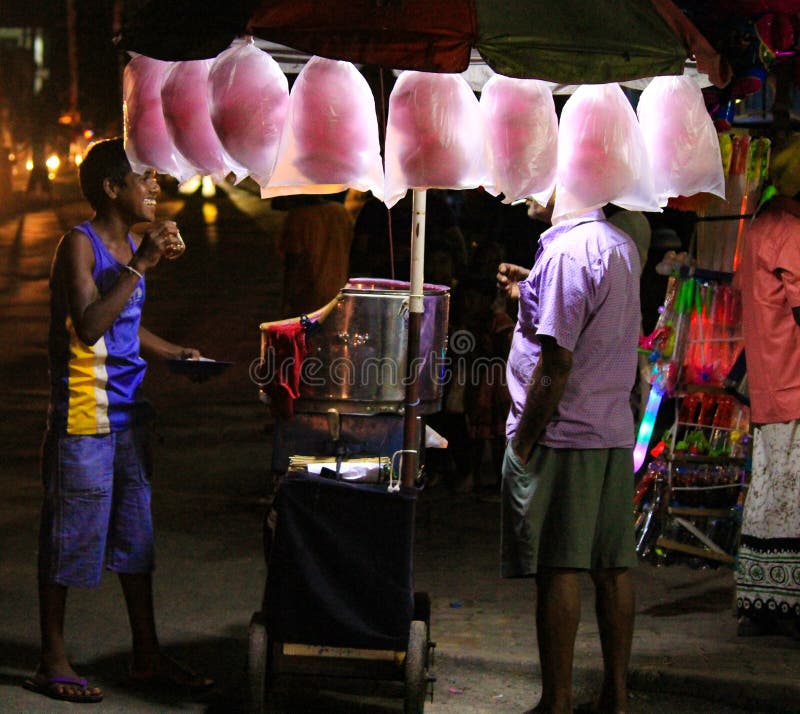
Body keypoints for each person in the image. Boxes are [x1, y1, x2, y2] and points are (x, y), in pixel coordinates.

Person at [24, 138, 213, 704]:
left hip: (129, 413)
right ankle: (50, 659)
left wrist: (172, 352)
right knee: (69, 538)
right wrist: (140, 264)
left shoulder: (130, 244)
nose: (155, 186)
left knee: (137, 540)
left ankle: (147, 655)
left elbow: (124, 325)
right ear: (111, 188)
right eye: (144, 178)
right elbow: (87, 326)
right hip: (85, 415)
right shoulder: (77, 247)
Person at [497, 197, 640, 714]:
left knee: (558, 566)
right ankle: (616, 698)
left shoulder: (568, 254)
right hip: (610, 430)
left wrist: (524, 440)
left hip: (566, 433)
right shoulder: (619, 244)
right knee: (612, 567)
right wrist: (530, 290)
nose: (529, 187)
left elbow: (556, 361)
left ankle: (557, 702)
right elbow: (587, 325)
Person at [733, 184, 800, 639]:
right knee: (791, 494)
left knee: (770, 492)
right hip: (793, 380)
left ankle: (762, 603)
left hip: (768, 382)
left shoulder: (758, 228)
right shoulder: (791, 231)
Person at [274, 193, 354, 317]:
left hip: (307, 296)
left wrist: (285, 301)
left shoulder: (298, 218)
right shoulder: (340, 212)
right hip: (338, 289)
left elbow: (292, 262)